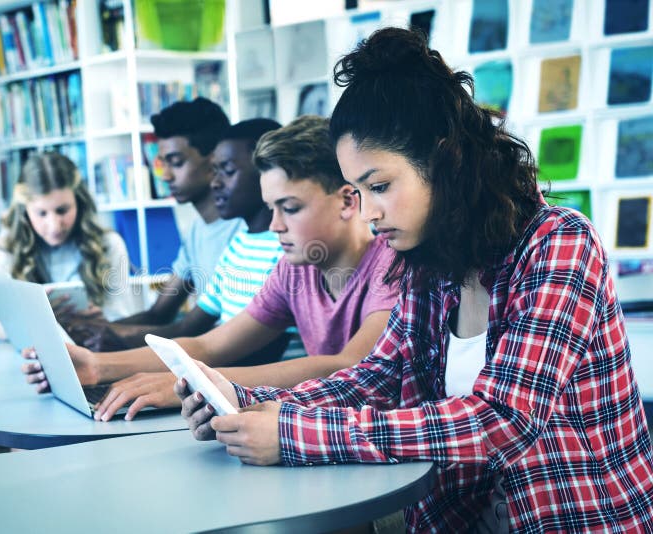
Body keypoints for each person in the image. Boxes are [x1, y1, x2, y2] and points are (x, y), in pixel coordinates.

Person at [176, 27, 653, 532]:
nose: (367, 212)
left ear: (446, 159)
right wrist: (242, 403)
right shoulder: (427, 262)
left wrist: (292, 433)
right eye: (357, 191)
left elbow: (500, 421)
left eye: (379, 186)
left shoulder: (560, 244)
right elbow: (374, 378)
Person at [84, 116, 400, 421]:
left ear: (347, 202)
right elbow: (209, 344)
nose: (276, 225)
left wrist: (202, 383)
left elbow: (349, 367)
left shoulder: (390, 264)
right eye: (271, 208)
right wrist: (96, 365)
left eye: (290, 208)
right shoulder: (294, 270)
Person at [22, 119, 292, 395]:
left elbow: (223, 345)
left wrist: (114, 354)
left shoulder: (284, 252)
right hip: (223, 383)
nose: (216, 182)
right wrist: (100, 349)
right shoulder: (236, 243)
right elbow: (199, 336)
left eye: (226, 170)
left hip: (253, 390)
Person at [68, 97, 244, 350]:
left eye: (176, 162)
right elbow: (159, 314)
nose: (166, 176)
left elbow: (204, 331)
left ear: (214, 160)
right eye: (163, 164)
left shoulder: (243, 229)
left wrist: (117, 339)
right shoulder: (196, 231)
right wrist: (92, 330)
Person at [0, 151, 135, 342]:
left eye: (62, 210)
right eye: (42, 213)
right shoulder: (10, 246)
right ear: (25, 212)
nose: (55, 225)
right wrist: (35, 322)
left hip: (96, 353)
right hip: (31, 359)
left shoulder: (109, 245)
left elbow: (124, 318)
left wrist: (99, 321)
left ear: (79, 203)